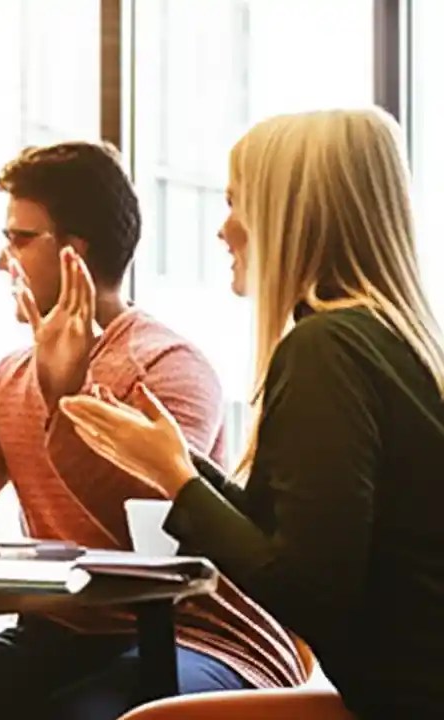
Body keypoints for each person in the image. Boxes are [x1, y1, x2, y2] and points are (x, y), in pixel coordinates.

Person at [0, 141, 303, 719]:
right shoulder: (4, 380)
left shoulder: (169, 364)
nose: (0, 261)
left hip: (201, 637)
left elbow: (150, 529)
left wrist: (64, 395)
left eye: (17, 239)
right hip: (63, 635)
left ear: (74, 255)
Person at [59, 108, 444, 719]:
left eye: (237, 202)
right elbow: (295, 538)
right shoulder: (394, 344)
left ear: (291, 213)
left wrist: (178, 480)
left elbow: (304, 589)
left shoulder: (326, 351)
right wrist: (177, 465)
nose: (224, 229)